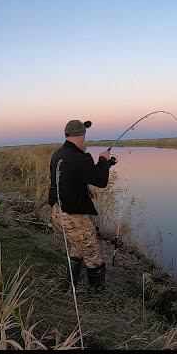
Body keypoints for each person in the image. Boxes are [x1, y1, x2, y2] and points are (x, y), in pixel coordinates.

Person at [48, 119, 113, 291]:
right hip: (74, 217)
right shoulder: (81, 157)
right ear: (82, 135)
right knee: (92, 253)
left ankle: (69, 283)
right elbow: (101, 180)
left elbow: (64, 179)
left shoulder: (58, 154)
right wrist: (103, 160)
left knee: (77, 246)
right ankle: (96, 293)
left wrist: (86, 187)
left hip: (57, 213)